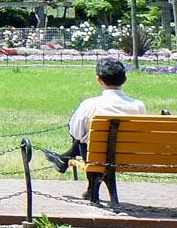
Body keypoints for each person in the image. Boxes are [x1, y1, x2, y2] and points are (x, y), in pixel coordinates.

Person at [42, 56, 145, 197]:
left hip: (95, 157)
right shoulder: (138, 106)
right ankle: (65, 161)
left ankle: (71, 167)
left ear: (99, 79)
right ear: (124, 80)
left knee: (85, 139)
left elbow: (76, 133)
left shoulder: (90, 104)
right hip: (126, 157)